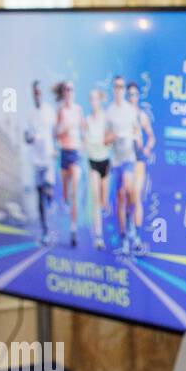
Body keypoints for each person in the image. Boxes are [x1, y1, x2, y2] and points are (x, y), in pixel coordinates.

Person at [103, 75, 140, 256]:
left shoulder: (130, 110)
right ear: (113, 89)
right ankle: (125, 237)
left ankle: (132, 226)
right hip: (116, 161)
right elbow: (105, 139)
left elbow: (136, 130)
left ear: (124, 89)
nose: (119, 89)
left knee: (129, 192)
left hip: (129, 159)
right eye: (116, 86)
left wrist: (136, 138)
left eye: (121, 86)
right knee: (120, 198)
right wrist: (116, 135)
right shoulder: (109, 112)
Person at [22, 80, 57, 246]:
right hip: (36, 162)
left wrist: (56, 148)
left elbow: (56, 132)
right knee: (39, 196)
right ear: (32, 94)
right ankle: (46, 232)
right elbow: (26, 136)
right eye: (35, 93)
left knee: (48, 191)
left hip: (48, 159)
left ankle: (51, 200)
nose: (37, 95)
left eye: (39, 92)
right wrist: (30, 138)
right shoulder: (29, 114)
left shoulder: (49, 112)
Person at [52, 80, 84, 247]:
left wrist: (84, 144)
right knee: (66, 195)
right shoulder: (61, 111)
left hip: (75, 152)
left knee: (74, 191)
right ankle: (65, 200)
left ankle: (73, 229)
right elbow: (56, 134)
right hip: (64, 152)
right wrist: (63, 130)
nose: (69, 92)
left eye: (72, 89)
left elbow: (84, 130)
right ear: (63, 93)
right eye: (66, 89)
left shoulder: (79, 110)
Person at [126, 81, 155, 257]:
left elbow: (151, 137)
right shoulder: (121, 114)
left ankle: (136, 238)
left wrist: (146, 148)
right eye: (129, 95)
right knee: (127, 197)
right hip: (124, 159)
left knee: (136, 196)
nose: (132, 98)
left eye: (135, 94)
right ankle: (128, 230)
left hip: (138, 159)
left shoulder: (141, 115)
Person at [84, 86, 111, 250]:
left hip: (105, 161)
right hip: (92, 161)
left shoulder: (106, 118)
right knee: (95, 199)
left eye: (96, 98)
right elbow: (85, 140)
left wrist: (107, 141)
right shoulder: (87, 120)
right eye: (91, 99)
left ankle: (105, 207)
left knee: (103, 202)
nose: (93, 102)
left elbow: (111, 137)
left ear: (100, 101)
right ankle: (98, 236)